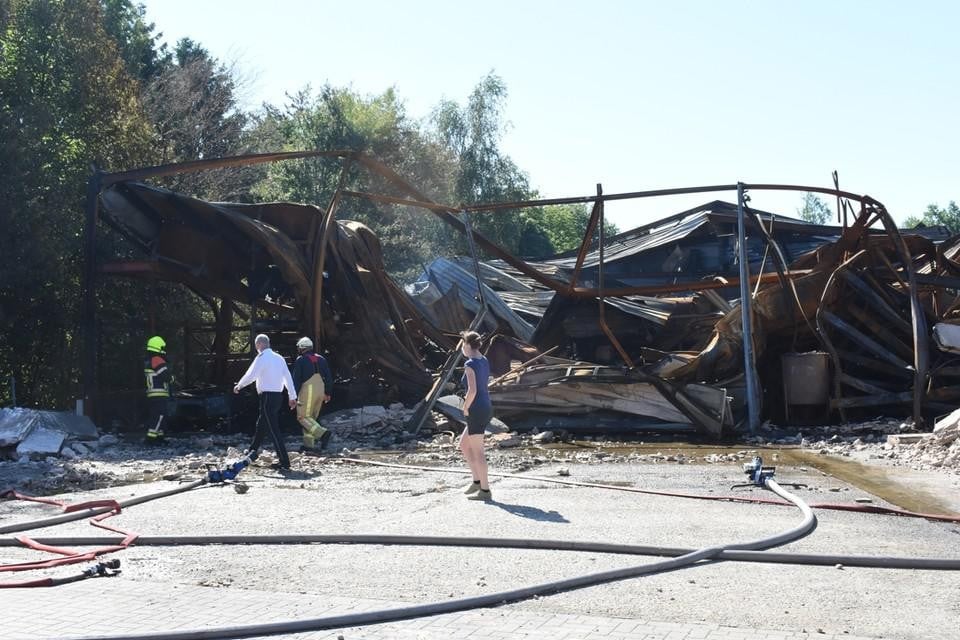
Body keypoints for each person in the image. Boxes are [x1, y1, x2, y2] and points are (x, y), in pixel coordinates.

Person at [233, 334, 297, 470]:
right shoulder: (279, 358)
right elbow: (288, 378)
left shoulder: (262, 357)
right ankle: (252, 451)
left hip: (267, 397)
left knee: (273, 429)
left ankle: (284, 462)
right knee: (261, 424)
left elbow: (251, 374)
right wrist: (292, 396)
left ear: (259, 344)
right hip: (278, 397)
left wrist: (239, 385)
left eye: (256, 346)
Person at [458, 330, 494, 501]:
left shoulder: (470, 364)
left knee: (478, 451)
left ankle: (485, 491)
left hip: (476, 407)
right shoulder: (484, 360)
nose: (461, 349)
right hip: (485, 406)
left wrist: (465, 407)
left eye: (462, 345)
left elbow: (472, 391)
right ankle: (477, 481)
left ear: (467, 345)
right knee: (464, 445)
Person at [291, 336, 333, 451]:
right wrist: (328, 393)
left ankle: (323, 434)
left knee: (303, 417)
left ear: (302, 348)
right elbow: (329, 377)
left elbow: (296, 380)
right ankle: (309, 445)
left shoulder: (300, 360)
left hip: (308, 390)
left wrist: (293, 396)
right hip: (320, 389)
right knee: (311, 419)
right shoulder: (321, 359)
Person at [143, 335, 172, 445]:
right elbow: (166, 376)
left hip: (153, 394)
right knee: (159, 416)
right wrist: (173, 378)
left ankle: (159, 437)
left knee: (160, 416)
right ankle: (150, 439)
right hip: (158, 394)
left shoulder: (149, 360)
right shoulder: (157, 359)